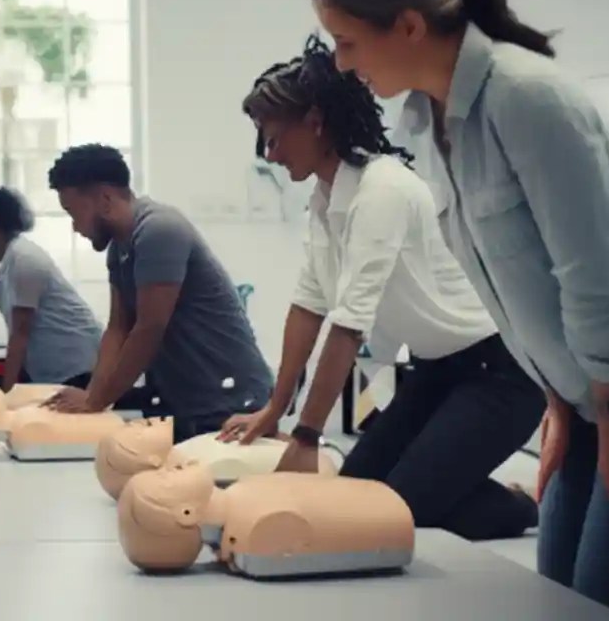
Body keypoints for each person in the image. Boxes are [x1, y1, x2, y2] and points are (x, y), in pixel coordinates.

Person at [309, 0, 609, 610]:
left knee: (598, 596)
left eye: (347, 41)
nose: (339, 61)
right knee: (562, 592)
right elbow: (511, 286)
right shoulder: (435, 121)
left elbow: (597, 283)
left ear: (410, 26)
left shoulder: (527, 99)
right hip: (583, 401)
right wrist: (561, 403)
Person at [220, 35, 544, 540]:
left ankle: (523, 506)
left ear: (316, 123)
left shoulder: (383, 189)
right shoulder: (326, 200)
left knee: (398, 513)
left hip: (500, 374)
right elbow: (309, 305)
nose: (270, 153)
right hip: (438, 371)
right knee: (359, 495)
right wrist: (274, 407)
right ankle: (454, 479)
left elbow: (348, 326)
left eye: (274, 137)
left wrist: (307, 436)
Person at [42, 145, 273, 441]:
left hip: (229, 396)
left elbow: (149, 328)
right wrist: (94, 395)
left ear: (104, 199)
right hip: (184, 397)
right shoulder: (119, 249)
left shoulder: (159, 229)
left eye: (74, 213)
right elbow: (118, 328)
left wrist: (96, 401)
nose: (75, 227)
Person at [0, 184, 103, 392]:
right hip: (44, 365)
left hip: (78, 362)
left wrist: (8, 395)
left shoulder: (24, 259)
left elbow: (20, 335)